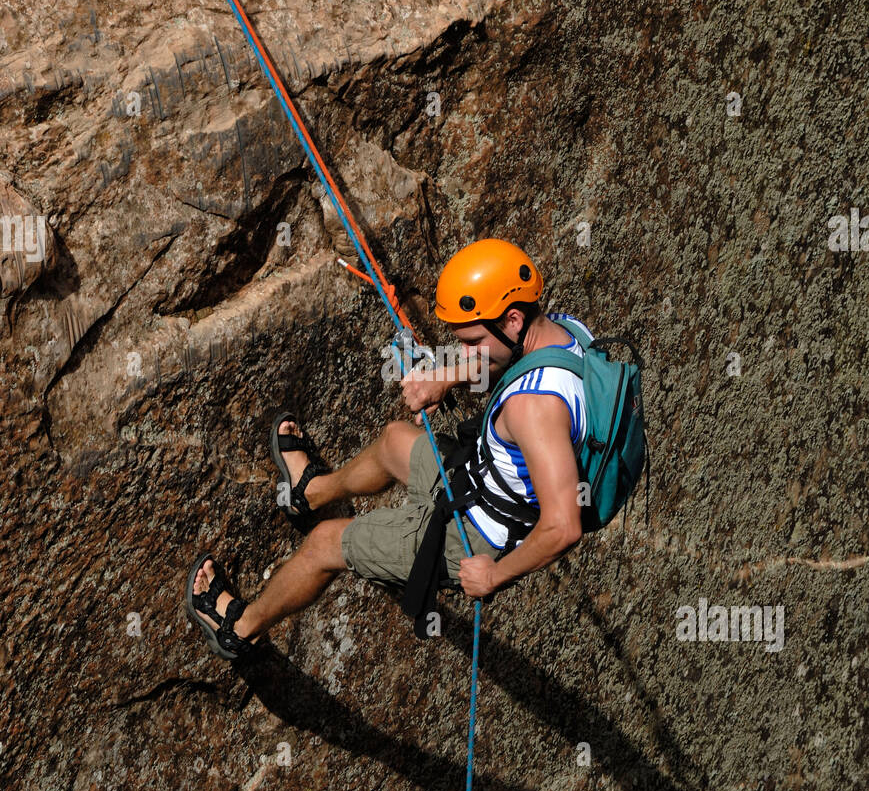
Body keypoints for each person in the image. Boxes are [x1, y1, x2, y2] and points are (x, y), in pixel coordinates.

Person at [185, 238, 590, 659]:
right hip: (478, 478)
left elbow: (564, 526)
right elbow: (503, 359)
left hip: (477, 531)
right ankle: (312, 491)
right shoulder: (563, 331)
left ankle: (241, 629)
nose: (466, 351)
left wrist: (493, 577)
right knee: (395, 440)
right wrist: (448, 377)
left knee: (325, 542)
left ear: (511, 319)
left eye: (470, 342)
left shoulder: (535, 408)